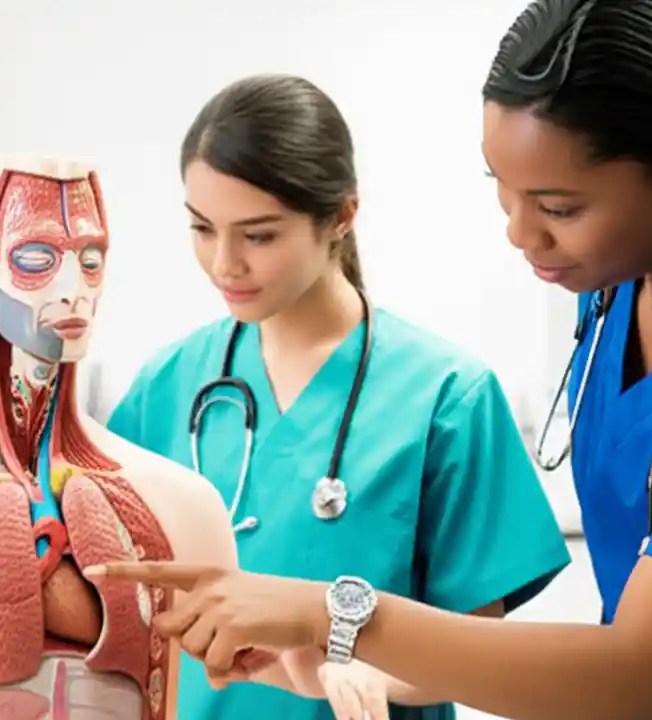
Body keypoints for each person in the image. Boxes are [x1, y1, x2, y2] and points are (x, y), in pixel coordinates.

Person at [86, 1, 652, 719]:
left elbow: (639, 672)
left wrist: (330, 613)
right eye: (502, 190)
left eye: (557, 206)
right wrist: (324, 657)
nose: (519, 235)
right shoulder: (627, 278)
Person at [103, 73, 571, 720]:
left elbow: (476, 651)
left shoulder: (447, 398)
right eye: (203, 228)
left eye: (259, 235)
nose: (223, 263)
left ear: (342, 217)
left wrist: (376, 679)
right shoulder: (168, 386)